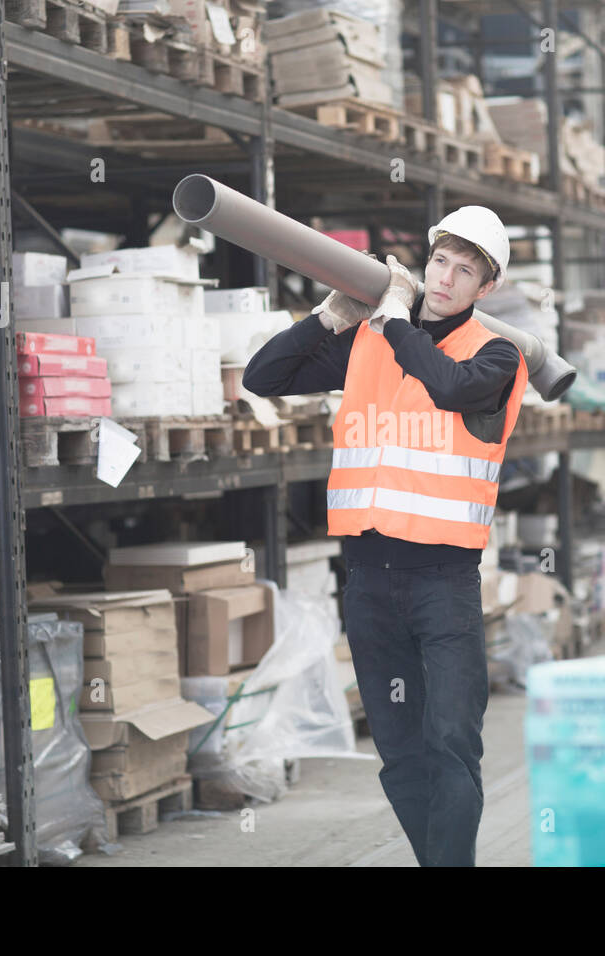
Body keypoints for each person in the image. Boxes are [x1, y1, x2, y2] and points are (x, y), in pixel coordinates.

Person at [242, 207, 528, 866]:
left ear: (485, 287)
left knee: (452, 741)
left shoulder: (496, 355)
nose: (447, 279)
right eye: (440, 263)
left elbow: (449, 387)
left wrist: (396, 317)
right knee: (400, 753)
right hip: (370, 583)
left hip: (443, 586)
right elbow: (264, 380)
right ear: (426, 264)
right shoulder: (368, 343)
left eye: (465, 270)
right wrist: (327, 319)